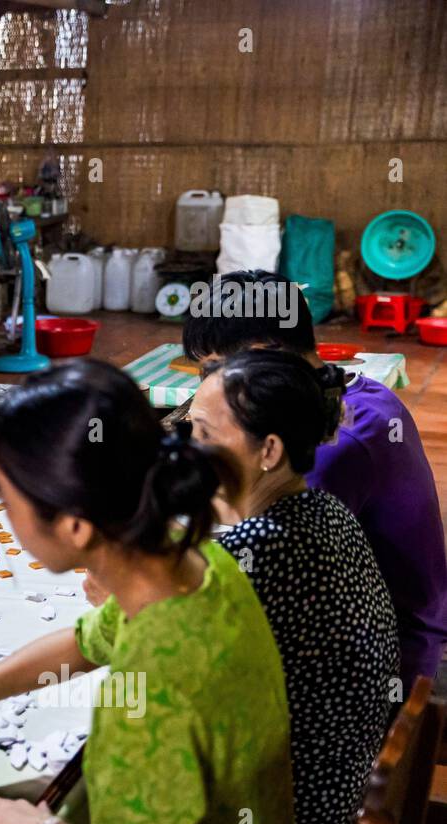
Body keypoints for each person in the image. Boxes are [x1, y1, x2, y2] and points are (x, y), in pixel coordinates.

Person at [0, 359, 294, 824]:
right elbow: (89, 641)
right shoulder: (196, 562)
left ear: (75, 527)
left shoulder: (151, 695)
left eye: (6, 492)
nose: (1, 510)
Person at [183, 270, 446, 698]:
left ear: (263, 353)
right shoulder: (346, 396)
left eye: (214, 369)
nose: (208, 385)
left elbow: (250, 560)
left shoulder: (331, 445)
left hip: (390, 656)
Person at [189, 349, 398, 824]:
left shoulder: (254, 549)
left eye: (204, 434)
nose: (190, 450)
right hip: (336, 797)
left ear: (269, 450)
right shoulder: (325, 510)